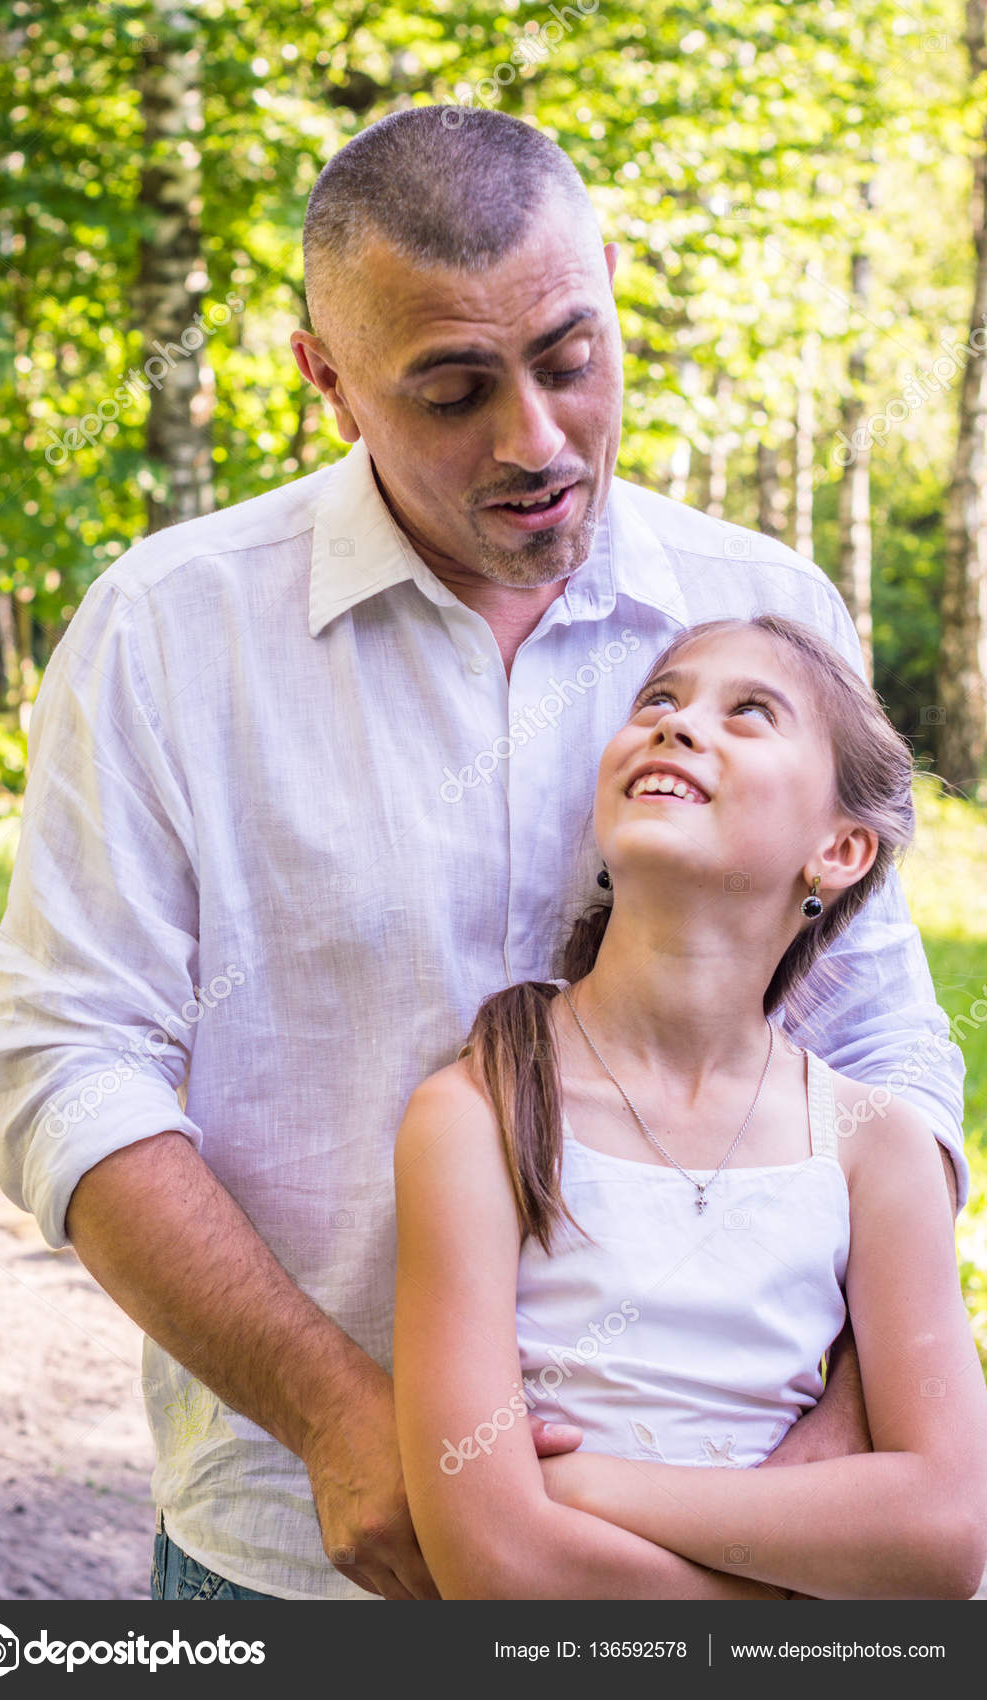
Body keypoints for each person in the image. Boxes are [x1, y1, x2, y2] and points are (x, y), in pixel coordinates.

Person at [0, 106, 966, 1604]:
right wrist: (336, 1419)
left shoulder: (760, 603)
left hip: (755, 1549)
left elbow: (882, 1039)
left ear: (611, 284)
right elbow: (68, 1065)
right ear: (327, 380)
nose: (537, 440)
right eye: (450, 390)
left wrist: (849, 1425)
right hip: (299, 1555)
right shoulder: (170, 629)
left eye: (570, 356)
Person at [393, 613, 987, 1600]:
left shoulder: (870, 1146)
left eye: (748, 712)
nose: (676, 724)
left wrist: (586, 1485)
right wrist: (805, 1592)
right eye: (656, 700)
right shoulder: (477, 1112)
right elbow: (493, 1564)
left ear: (838, 848)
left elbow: (947, 1530)